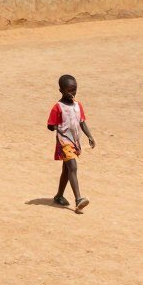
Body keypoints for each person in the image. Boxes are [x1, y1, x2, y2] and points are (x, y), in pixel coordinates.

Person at [47, 74, 96, 212]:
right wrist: (55, 127)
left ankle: (59, 196)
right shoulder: (58, 107)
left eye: (74, 90)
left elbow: (82, 122)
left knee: (66, 170)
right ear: (61, 90)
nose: (72, 93)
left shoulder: (77, 105)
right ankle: (78, 199)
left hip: (74, 141)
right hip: (64, 141)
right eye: (69, 90)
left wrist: (90, 136)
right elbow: (50, 125)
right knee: (73, 167)